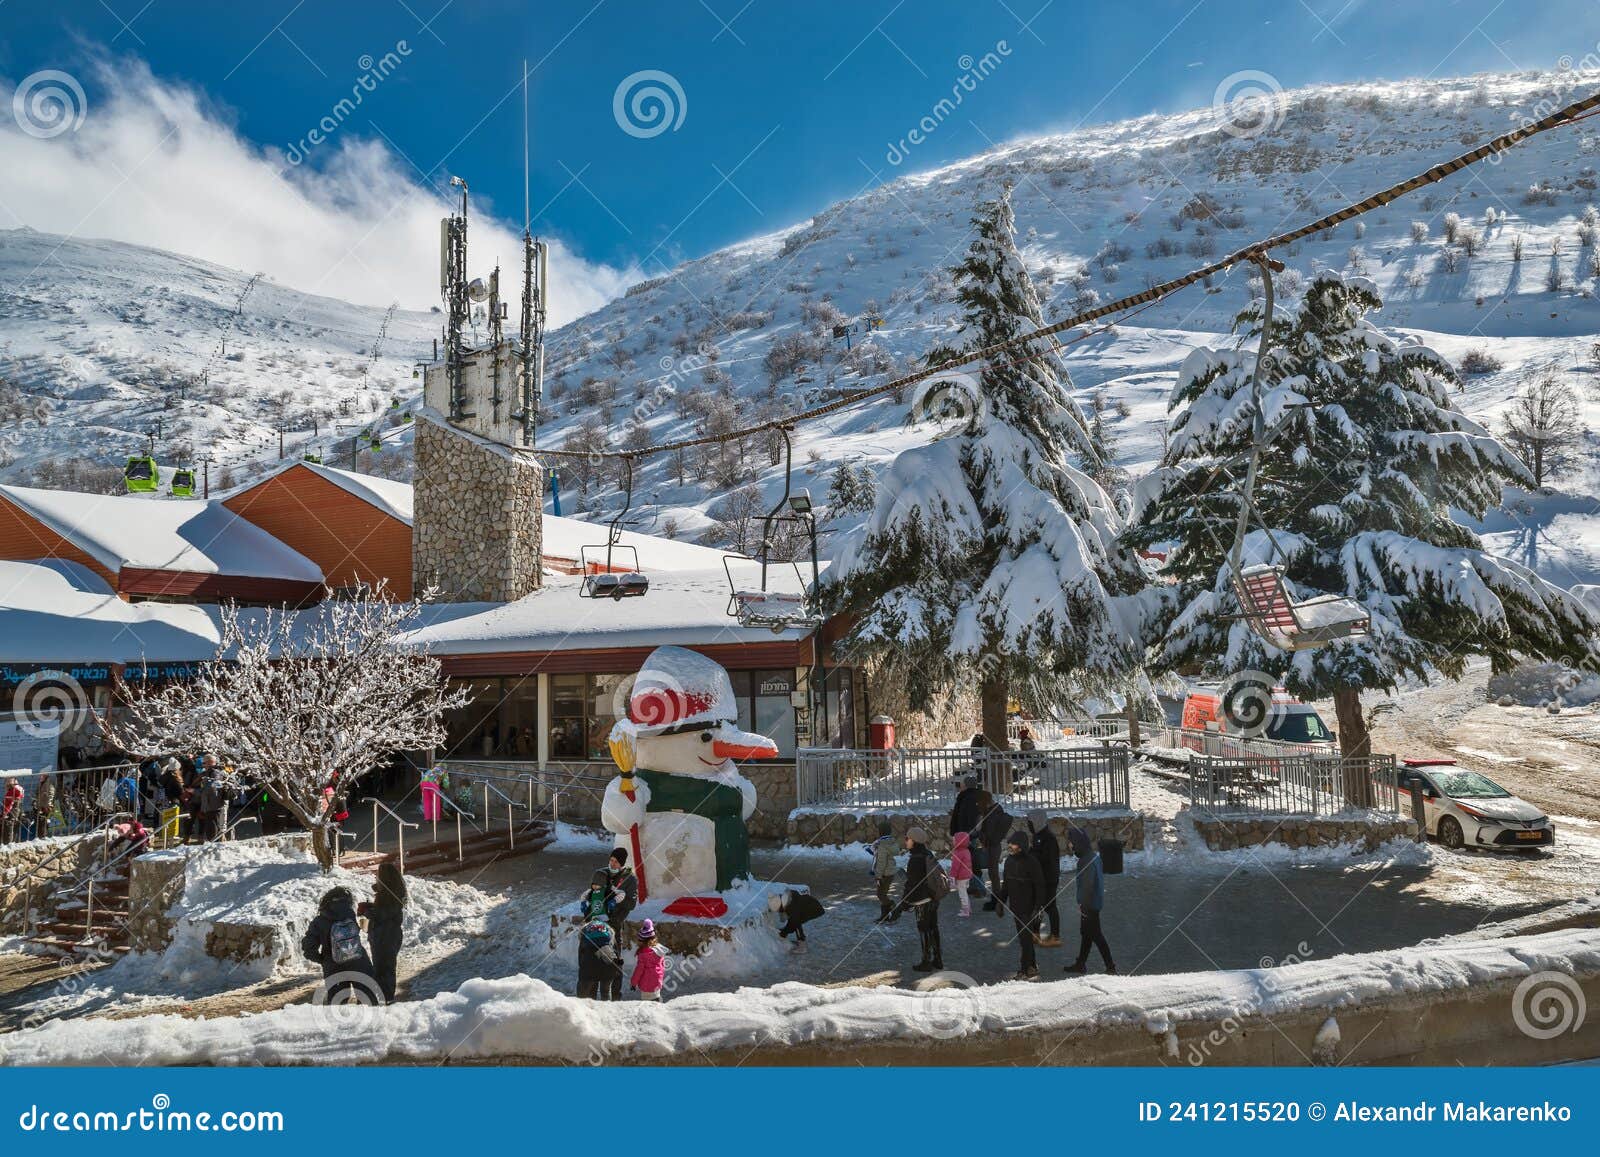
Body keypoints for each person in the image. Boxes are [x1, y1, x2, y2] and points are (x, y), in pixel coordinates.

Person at [300, 886, 378, 1003]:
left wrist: (323, 959)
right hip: (359, 962)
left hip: (334, 968)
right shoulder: (350, 915)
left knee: (338, 1007)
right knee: (369, 1001)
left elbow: (308, 947)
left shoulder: (319, 921)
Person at [887, 826, 943, 972]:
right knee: (933, 927)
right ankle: (937, 959)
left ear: (914, 841)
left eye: (907, 838)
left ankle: (926, 961)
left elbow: (912, 885)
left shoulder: (915, 859)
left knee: (923, 929)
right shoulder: (928, 854)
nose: (906, 841)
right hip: (933, 898)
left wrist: (903, 905)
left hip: (922, 901)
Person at [1064, 827, 1115, 975]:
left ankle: (1111, 967)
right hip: (1093, 903)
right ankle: (1081, 964)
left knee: (1096, 935)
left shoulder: (1085, 861)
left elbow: (1088, 885)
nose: (1069, 845)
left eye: (1071, 842)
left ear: (1078, 843)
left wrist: (1083, 905)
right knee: (1087, 934)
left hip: (1089, 905)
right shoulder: (1092, 856)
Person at [997, 829, 1045, 980]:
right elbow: (1006, 885)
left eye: (1014, 845)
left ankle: (1025, 970)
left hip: (1029, 908)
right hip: (1016, 908)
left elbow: (1040, 886)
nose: (1011, 848)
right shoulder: (1009, 862)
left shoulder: (1032, 862)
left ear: (1022, 846)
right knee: (1025, 939)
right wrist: (1000, 902)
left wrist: (1038, 907)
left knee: (1025, 939)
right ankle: (1032, 966)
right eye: (1010, 845)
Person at [361, 862, 407, 1003]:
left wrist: (367, 911)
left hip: (386, 937)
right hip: (385, 936)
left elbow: (383, 914)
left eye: (379, 875)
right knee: (382, 968)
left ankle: (386, 999)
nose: (377, 877)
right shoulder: (392, 891)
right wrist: (370, 907)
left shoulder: (391, 895)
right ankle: (382, 997)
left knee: (384, 969)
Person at [604, 849, 638, 999]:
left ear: (622, 863)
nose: (612, 863)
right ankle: (600, 992)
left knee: (616, 959)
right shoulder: (604, 874)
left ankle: (616, 994)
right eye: (611, 860)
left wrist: (619, 896)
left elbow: (631, 904)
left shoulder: (630, 879)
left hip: (616, 922)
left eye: (616, 861)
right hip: (601, 920)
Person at [1028, 810, 1063, 947]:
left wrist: (1031, 855)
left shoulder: (1048, 838)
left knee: (1050, 907)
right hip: (1040, 879)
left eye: (1030, 822)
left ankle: (1055, 936)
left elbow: (1047, 859)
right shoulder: (1038, 835)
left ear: (1037, 821)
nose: (1029, 825)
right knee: (1037, 906)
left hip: (1048, 879)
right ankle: (1035, 934)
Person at [976, 790, 1010, 911]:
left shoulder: (992, 813)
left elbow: (988, 834)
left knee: (993, 874)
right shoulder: (995, 810)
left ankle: (997, 901)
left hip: (993, 847)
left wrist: (979, 831)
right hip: (994, 846)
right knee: (993, 873)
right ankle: (997, 899)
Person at [577, 919, 622, 1000]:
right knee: (605, 991)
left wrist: (583, 970)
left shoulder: (585, 930)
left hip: (589, 964)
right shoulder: (609, 930)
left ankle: (586, 1009)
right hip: (609, 962)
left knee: (586, 993)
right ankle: (606, 1010)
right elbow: (616, 951)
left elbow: (581, 955)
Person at [630, 919, 669, 1000]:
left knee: (647, 1005)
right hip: (657, 982)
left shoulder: (643, 954)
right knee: (656, 999)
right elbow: (662, 966)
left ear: (641, 941)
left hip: (646, 985)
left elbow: (639, 970)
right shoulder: (659, 950)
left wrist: (633, 983)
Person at [869, 820, 899, 922]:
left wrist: (878, 876)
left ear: (880, 832)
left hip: (884, 874)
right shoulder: (891, 842)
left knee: (881, 894)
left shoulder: (882, 845)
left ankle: (894, 908)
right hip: (890, 872)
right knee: (882, 894)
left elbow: (881, 862)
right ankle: (884, 916)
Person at [948, 830, 974, 917]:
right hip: (967, 876)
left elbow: (955, 867)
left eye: (955, 840)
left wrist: (952, 877)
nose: (953, 842)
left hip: (961, 877)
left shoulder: (958, 853)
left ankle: (965, 910)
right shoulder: (966, 851)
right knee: (965, 892)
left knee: (962, 893)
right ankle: (968, 908)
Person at [3, 777, 26, 844]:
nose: (5, 783)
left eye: (7, 781)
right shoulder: (17, 788)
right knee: (14, 827)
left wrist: (5, 813)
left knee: (10, 828)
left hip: (13, 811)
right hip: (16, 810)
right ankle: (13, 842)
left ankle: (9, 843)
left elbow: (10, 803)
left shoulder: (14, 789)